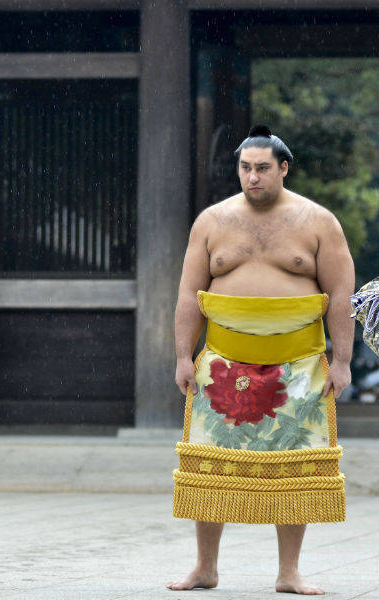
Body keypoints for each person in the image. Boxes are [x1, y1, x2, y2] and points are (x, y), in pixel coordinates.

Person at [168, 126, 352, 595]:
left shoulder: (318, 221)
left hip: (299, 362)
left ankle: (289, 572)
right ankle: (205, 568)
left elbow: (340, 296)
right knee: (210, 465)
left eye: (263, 168)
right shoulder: (211, 221)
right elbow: (189, 293)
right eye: (245, 168)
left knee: (295, 471)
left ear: (283, 168)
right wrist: (182, 356)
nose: (253, 177)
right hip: (223, 360)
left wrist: (343, 361)